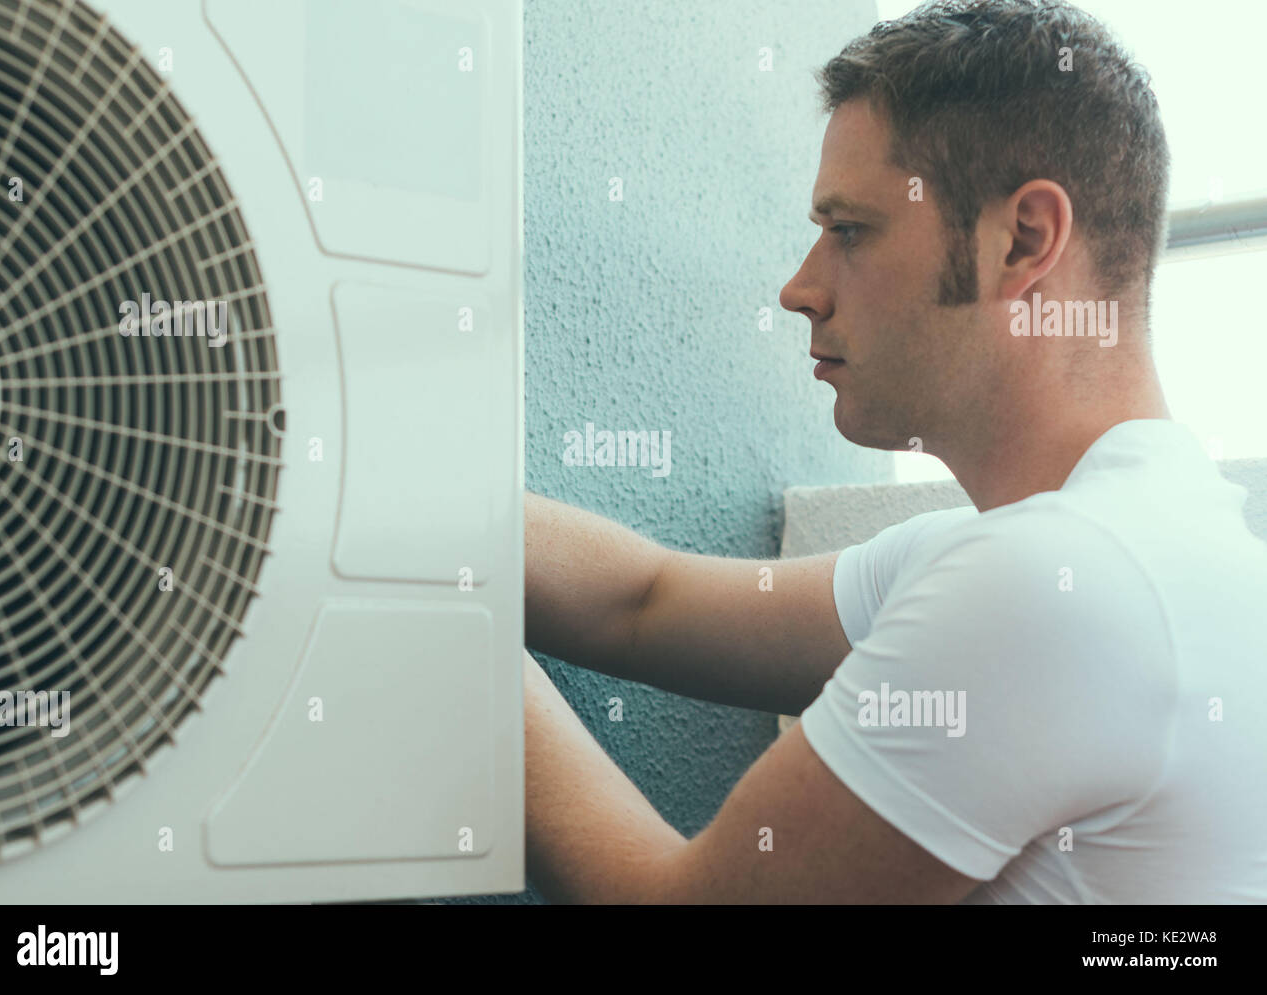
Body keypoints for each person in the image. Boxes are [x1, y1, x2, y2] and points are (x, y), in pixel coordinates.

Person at [522, 0, 1267, 903]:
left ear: (1023, 240)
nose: (800, 288)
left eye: (849, 232)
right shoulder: (1143, 549)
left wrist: (433, 632)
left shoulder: (1052, 586)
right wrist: (401, 517)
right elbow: (643, 599)